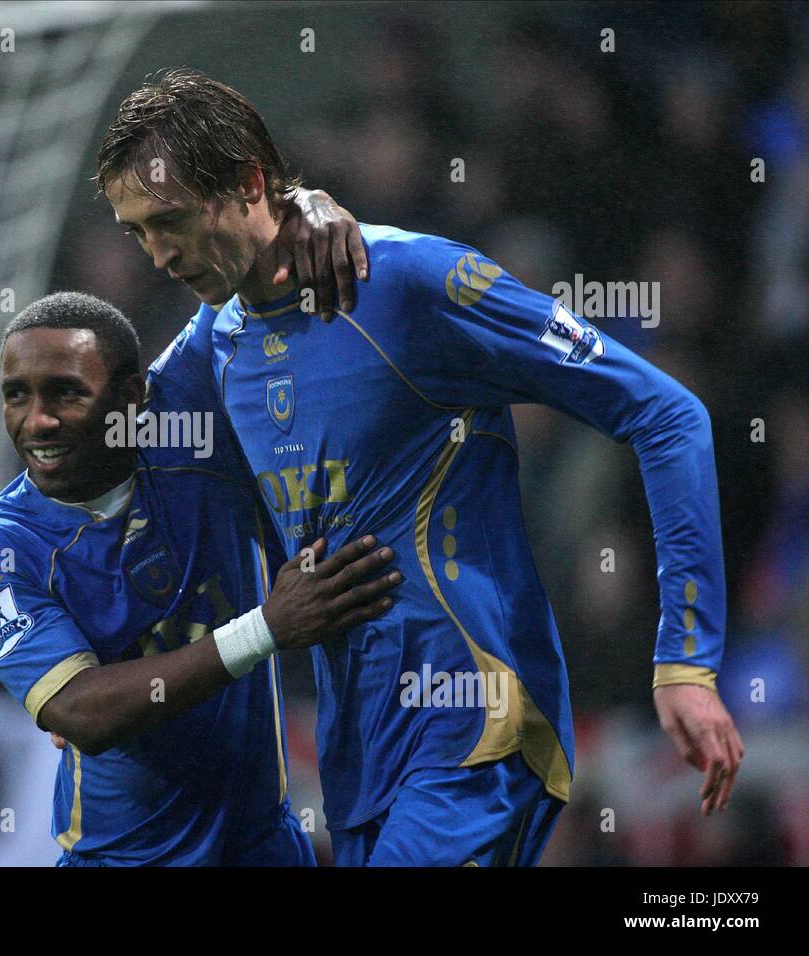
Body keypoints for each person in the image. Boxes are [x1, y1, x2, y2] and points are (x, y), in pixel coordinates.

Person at [96, 67, 744, 866]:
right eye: (136, 233)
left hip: (475, 724)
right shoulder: (215, 342)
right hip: (357, 758)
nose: (158, 255)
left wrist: (688, 660)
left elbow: (666, 413)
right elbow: (114, 445)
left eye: (170, 221)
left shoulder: (408, 284)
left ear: (247, 183)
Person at [0, 290, 401, 865]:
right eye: (17, 396)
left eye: (66, 392)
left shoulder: (187, 421)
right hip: (123, 860)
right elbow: (81, 711)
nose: (38, 420)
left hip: (266, 848)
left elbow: (247, 270)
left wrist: (312, 207)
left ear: (132, 397)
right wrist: (265, 628)